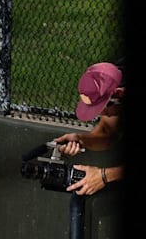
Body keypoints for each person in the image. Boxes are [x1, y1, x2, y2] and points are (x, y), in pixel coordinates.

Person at [53, 60, 125, 196]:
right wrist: (81, 139)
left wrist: (104, 176)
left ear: (119, 95)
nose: (101, 114)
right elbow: (107, 132)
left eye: (102, 109)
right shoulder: (114, 77)